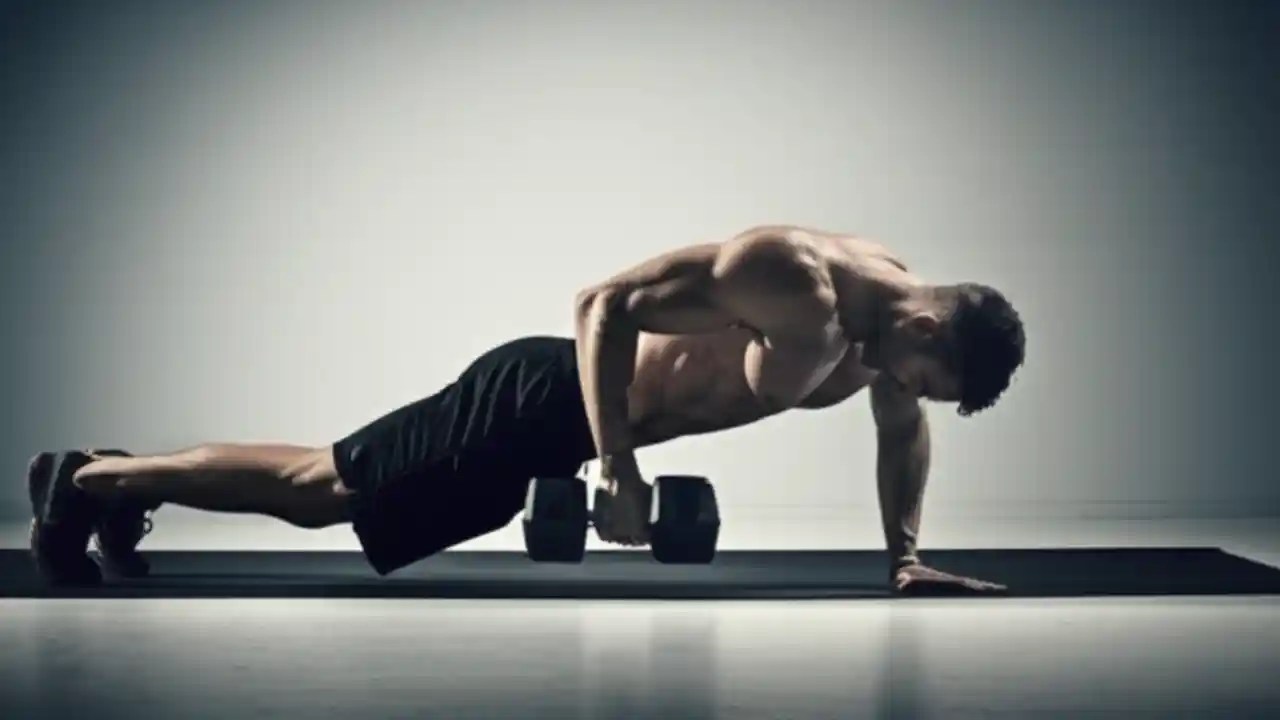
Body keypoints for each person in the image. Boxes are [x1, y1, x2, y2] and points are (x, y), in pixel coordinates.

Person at [29, 225, 1025, 595]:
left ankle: (120, 482)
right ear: (926, 327)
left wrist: (904, 557)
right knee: (321, 492)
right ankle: (87, 479)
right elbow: (603, 304)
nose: (904, 393)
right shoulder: (794, 276)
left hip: (567, 433)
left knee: (329, 481)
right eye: (920, 377)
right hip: (540, 399)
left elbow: (901, 429)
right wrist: (619, 465)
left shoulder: (882, 340)